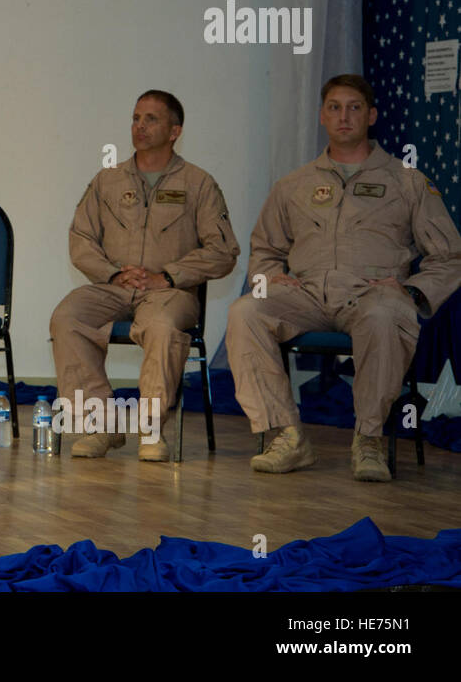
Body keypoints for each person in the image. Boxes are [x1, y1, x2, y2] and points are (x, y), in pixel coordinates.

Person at [226, 74, 461, 482]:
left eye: (354, 108)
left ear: (371, 115)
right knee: (245, 312)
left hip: (373, 294)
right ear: (322, 116)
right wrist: (270, 277)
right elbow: (265, 248)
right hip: (308, 294)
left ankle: (368, 439)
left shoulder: (407, 181)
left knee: (387, 315)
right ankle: (286, 436)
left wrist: (411, 289)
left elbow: (450, 255)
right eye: (334, 107)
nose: (344, 116)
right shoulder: (293, 185)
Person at [51, 91, 239, 460]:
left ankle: (152, 430)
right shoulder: (107, 180)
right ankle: (100, 425)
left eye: (151, 119)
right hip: (114, 286)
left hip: (170, 292)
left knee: (161, 326)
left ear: (174, 131)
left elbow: (223, 252)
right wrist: (112, 273)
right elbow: (81, 239)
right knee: (68, 316)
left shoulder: (198, 183)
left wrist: (168, 276)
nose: (140, 126)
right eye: (136, 117)